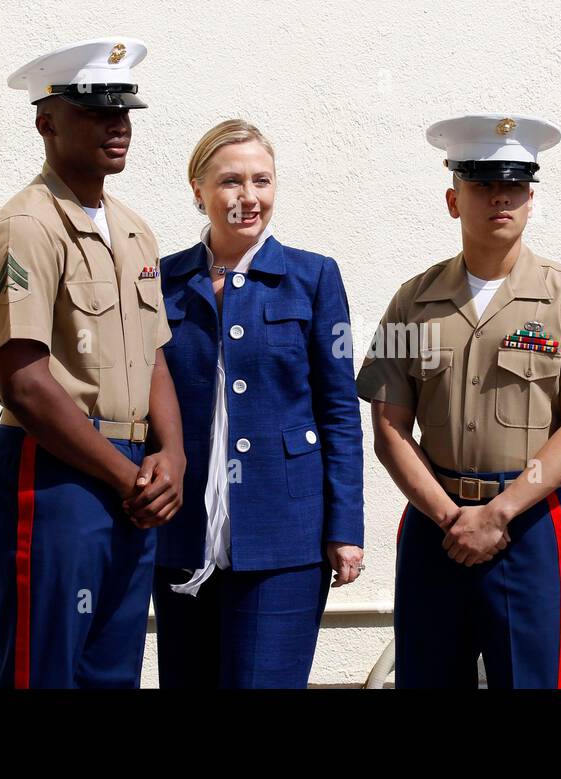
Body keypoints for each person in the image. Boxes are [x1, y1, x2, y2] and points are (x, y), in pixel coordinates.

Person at [357, 114, 561, 688]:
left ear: (531, 198)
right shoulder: (415, 300)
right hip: (437, 523)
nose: (499, 197)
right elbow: (390, 428)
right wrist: (451, 517)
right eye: (481, 183)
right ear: (453, 199)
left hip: (528, 525)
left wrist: (501, 512)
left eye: (514, 184)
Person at [0, 37, 185, 688]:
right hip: (56, 473)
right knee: (47, 672)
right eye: (95, 110)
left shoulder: (133, 230)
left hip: (129, 481)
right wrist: (128, 477)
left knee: (109, 675)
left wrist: (171, 454)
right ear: (46, 121)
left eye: (123, 111)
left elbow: (152, 354)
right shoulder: (28, 227)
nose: (116, 124)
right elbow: (26, 382)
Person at [153, 119, 364, 688]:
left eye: (262, 181)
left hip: (286, 534)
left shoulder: (313, 277)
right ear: (197, 190)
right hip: (183, 532)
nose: (249, 198)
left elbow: (340, 411)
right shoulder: (161, 279)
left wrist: (346, 526)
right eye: (230, 182)